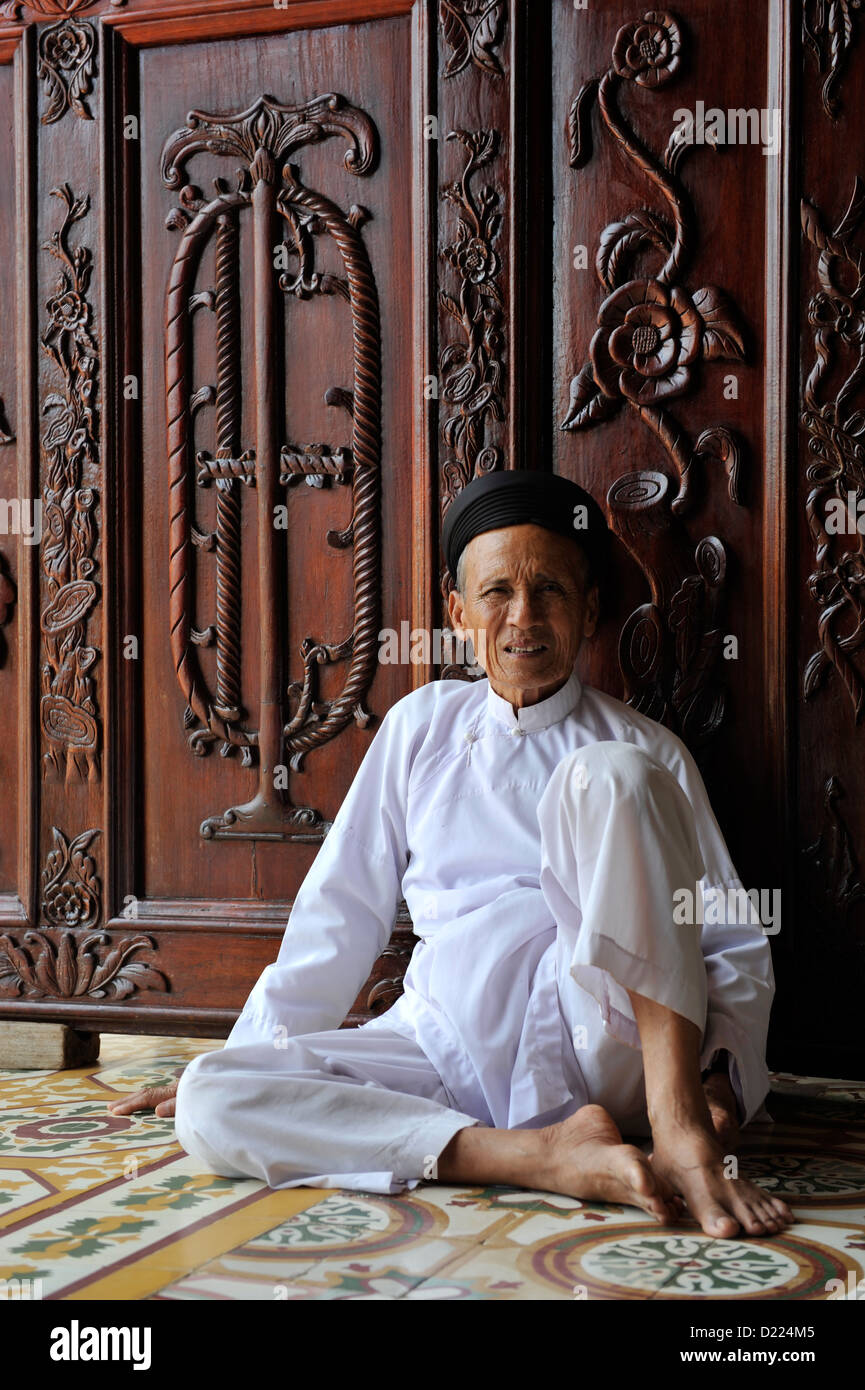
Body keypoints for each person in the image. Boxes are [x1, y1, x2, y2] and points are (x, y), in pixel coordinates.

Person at [109, 470, 793, 1239]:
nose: (522, 617)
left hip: (603, 1047)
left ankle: (675, 1135)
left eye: (551, 591)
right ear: (457, 610)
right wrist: (256, 1055)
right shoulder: (420, 727)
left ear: (590, 607)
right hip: (442, 1046)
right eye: (496, 591)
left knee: (608, 775)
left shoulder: (641, 752)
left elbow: (728, 944)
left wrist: (720, 1089)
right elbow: (339, 916)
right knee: (211, 1098)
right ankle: (535, 1157)